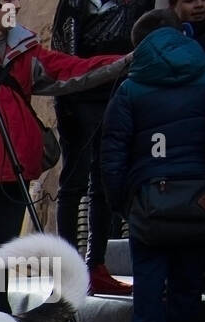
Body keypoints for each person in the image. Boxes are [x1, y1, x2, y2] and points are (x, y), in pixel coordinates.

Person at [0, 0, 129, 313]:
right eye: (5, 1)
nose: (14, 5)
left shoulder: (25, 51)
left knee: (3, 251)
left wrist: (125, 62)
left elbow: (69, 70)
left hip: (14, 167)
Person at [100, 9, 205, 322]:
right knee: (189, 276)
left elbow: (113, 150)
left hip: (149, 195)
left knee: (148, 275)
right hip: (199, 194)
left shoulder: (131, 86)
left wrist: (120, 200)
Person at [51, 0, 152, 296]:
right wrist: (66, 99)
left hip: (120, 93)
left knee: (105, 182)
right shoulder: (73, 3)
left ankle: (95, 266)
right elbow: (62, 50)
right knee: (74, 183)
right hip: (79, 95)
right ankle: (69, 271)